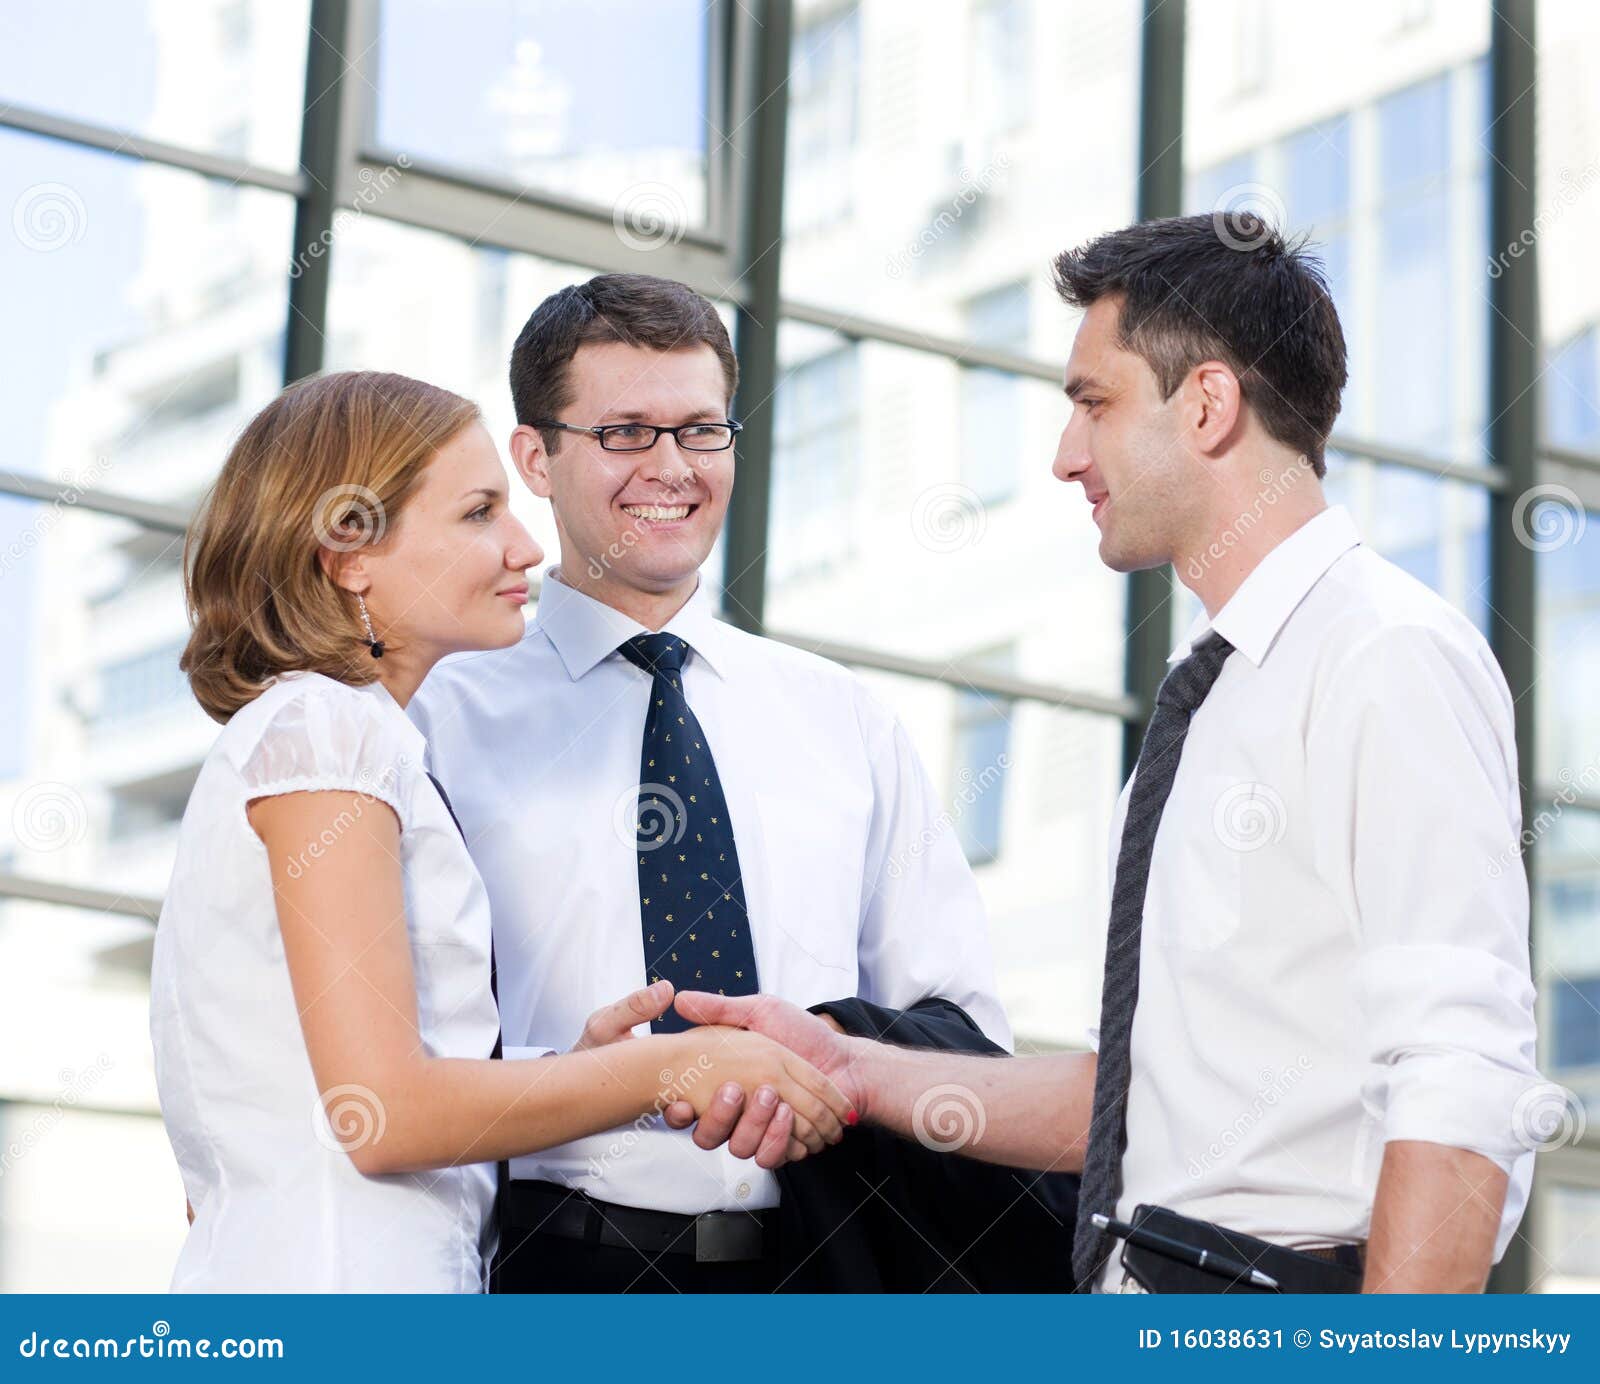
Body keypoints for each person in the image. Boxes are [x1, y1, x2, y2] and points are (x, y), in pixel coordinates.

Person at [670, 213, 1544, 1294]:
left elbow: (1461, 1073)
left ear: (1209, 405)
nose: (1063, 455)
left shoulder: (1381, 653)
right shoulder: (1214, 694)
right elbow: (1124, 1097)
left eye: (1093, 402)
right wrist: (844, 1064)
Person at [150, 370, 851, 1292]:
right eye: (479, 513)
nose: (524, 546)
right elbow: (383, 1114)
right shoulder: (327, 733)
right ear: (350, 552)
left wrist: (571, 1072)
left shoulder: (335, 733)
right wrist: (675, 1066)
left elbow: (312, 1082)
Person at [406, 274, 1015, 1292]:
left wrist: (818, 1054)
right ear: (534, 460)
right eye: (625, 433)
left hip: (822, 1270)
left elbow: (955, 1022)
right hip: (556, 1277)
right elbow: (395, 1055)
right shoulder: (438, 722)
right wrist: (583, 1080)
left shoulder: (842, 718)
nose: (671, 468)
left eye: (700, 430)